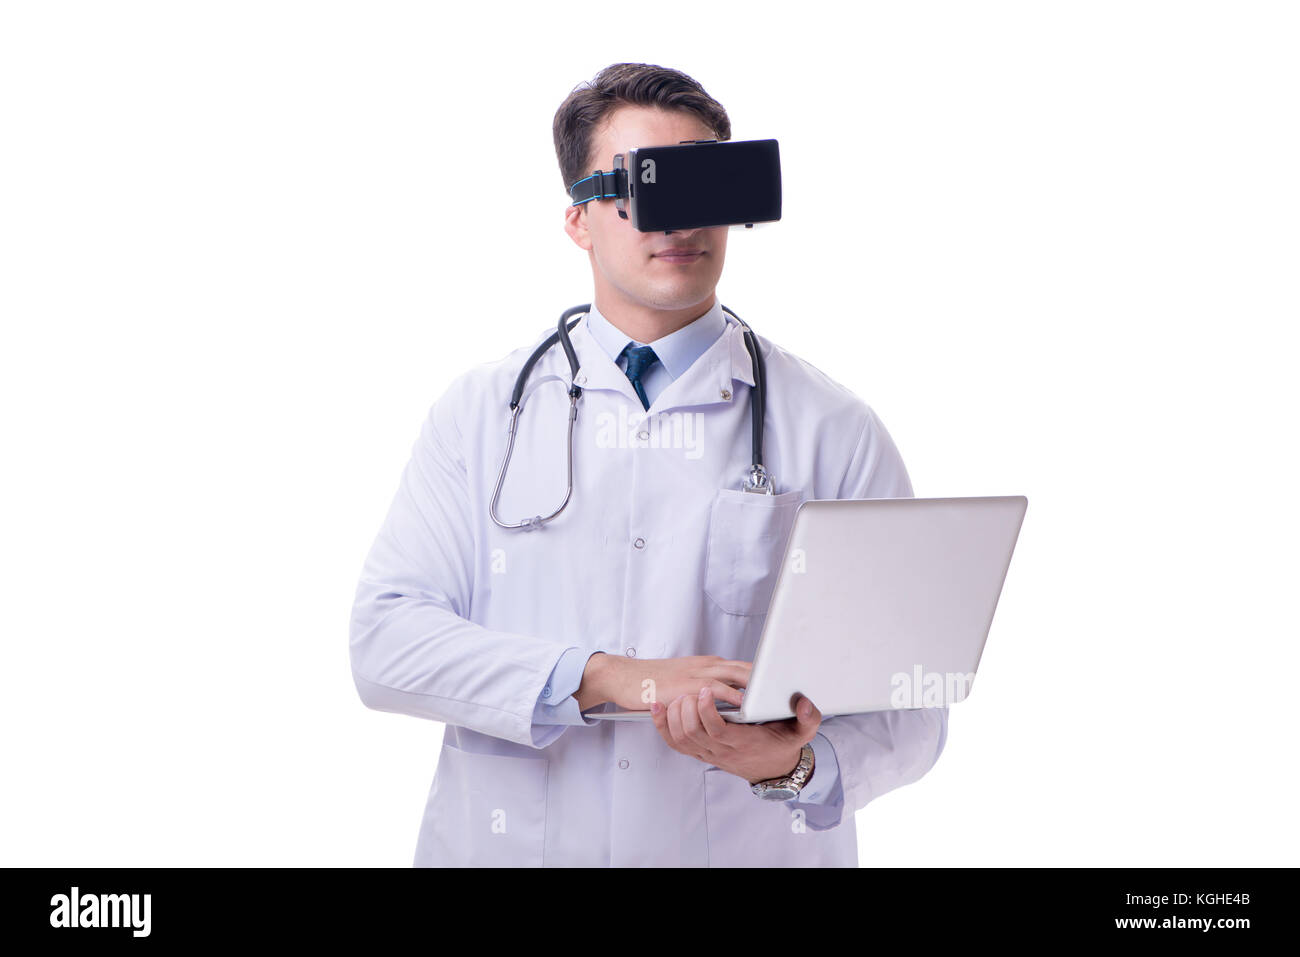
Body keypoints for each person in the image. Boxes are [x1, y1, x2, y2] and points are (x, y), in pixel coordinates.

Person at [348, 62, 948, 867]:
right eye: (643, 187)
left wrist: (795, 763)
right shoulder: (482, 414)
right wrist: (605, 676)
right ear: (577, 221)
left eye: (703, 185)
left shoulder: (833, 428)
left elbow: (909, 704)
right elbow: (386, 640)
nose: (678, 221)